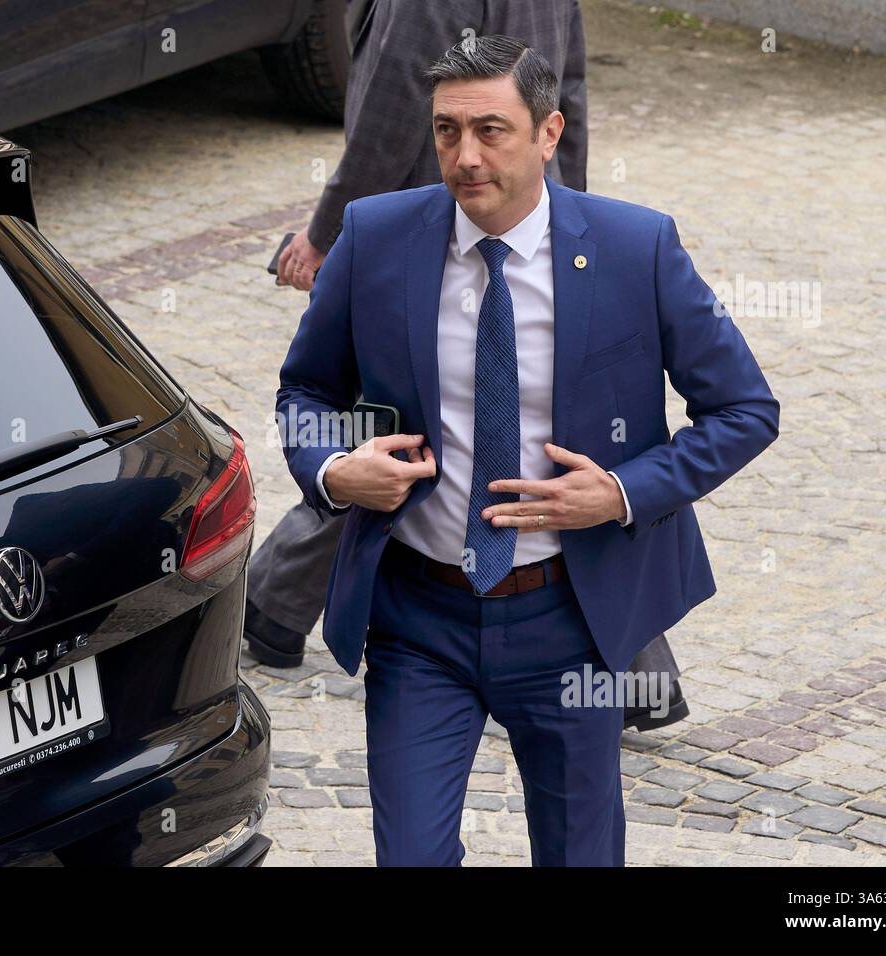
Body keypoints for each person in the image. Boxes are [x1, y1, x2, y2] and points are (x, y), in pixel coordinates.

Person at [274, 35, 779, 865]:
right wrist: (335, 467)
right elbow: (303, 394)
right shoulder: (376, 236)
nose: (464, 157)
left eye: (490, 130)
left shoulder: (635, 248)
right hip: (417, 619)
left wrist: (618, 491)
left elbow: (745, 409)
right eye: (445, 131)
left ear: (550, 132)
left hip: (569, 623)